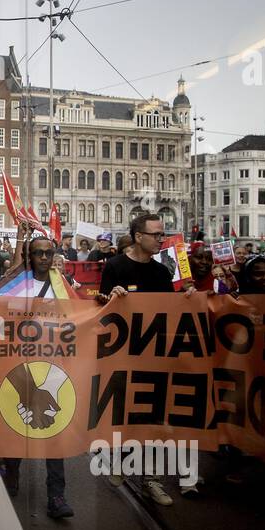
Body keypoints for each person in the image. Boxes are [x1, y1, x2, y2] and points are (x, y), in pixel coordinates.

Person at [97, 214, 193, 504]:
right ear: (138, 236)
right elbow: (101, 308)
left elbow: (169, 311)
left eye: (162, 234)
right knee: (127, 412)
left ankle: (152, 479)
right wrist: (111, 296)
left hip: (154, 356)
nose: (161, 240)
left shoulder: (163, 273)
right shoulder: (114, 266)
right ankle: (124, 460)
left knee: (153, 417)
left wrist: (189, 299)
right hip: (125, 355)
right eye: (155, 234)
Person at [0, 223, 81, 519]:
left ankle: (57, 495)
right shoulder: (16, 284)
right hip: (19, 367)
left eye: (48, 252)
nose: (43, 257)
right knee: (18, 425)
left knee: (55, 431)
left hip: (54, 370)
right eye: (38, 253)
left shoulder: (62, 285)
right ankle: (12, 471)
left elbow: (82, 315)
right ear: (30, 257)